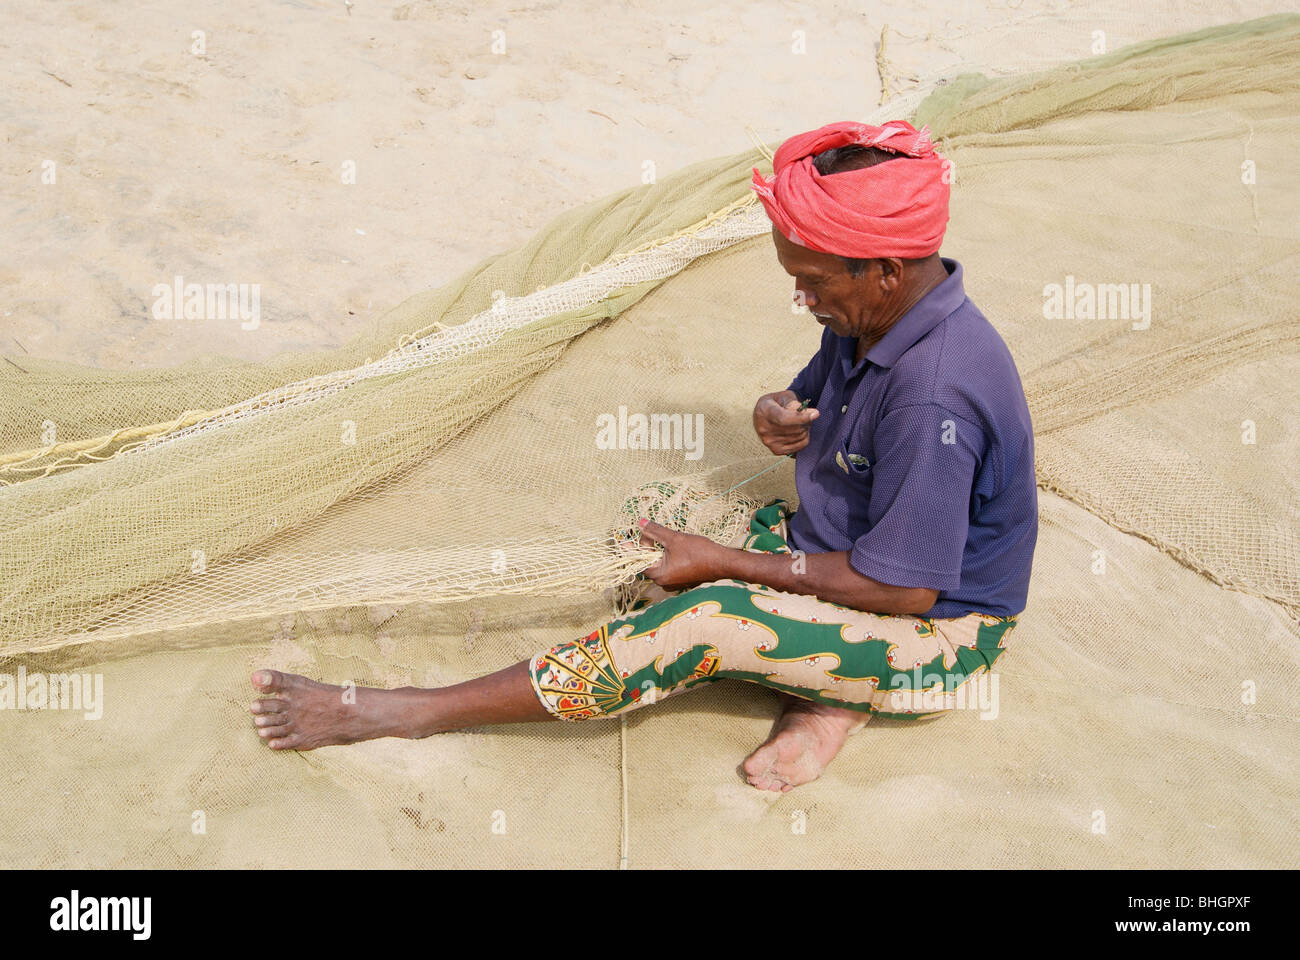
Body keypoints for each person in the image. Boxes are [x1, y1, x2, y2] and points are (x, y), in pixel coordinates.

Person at [249, 120, 1039, 793]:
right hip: (835, 550)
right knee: (649, 527)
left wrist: (723, 562)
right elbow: (817, 388)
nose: (802, 299)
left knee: (700, 622)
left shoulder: (937, 397)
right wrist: (779, 413)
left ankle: (405, 712)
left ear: (886, 269)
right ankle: (829, 691)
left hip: (938, 631)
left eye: (810, 281)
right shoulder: (872, 313)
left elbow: (902, 591)